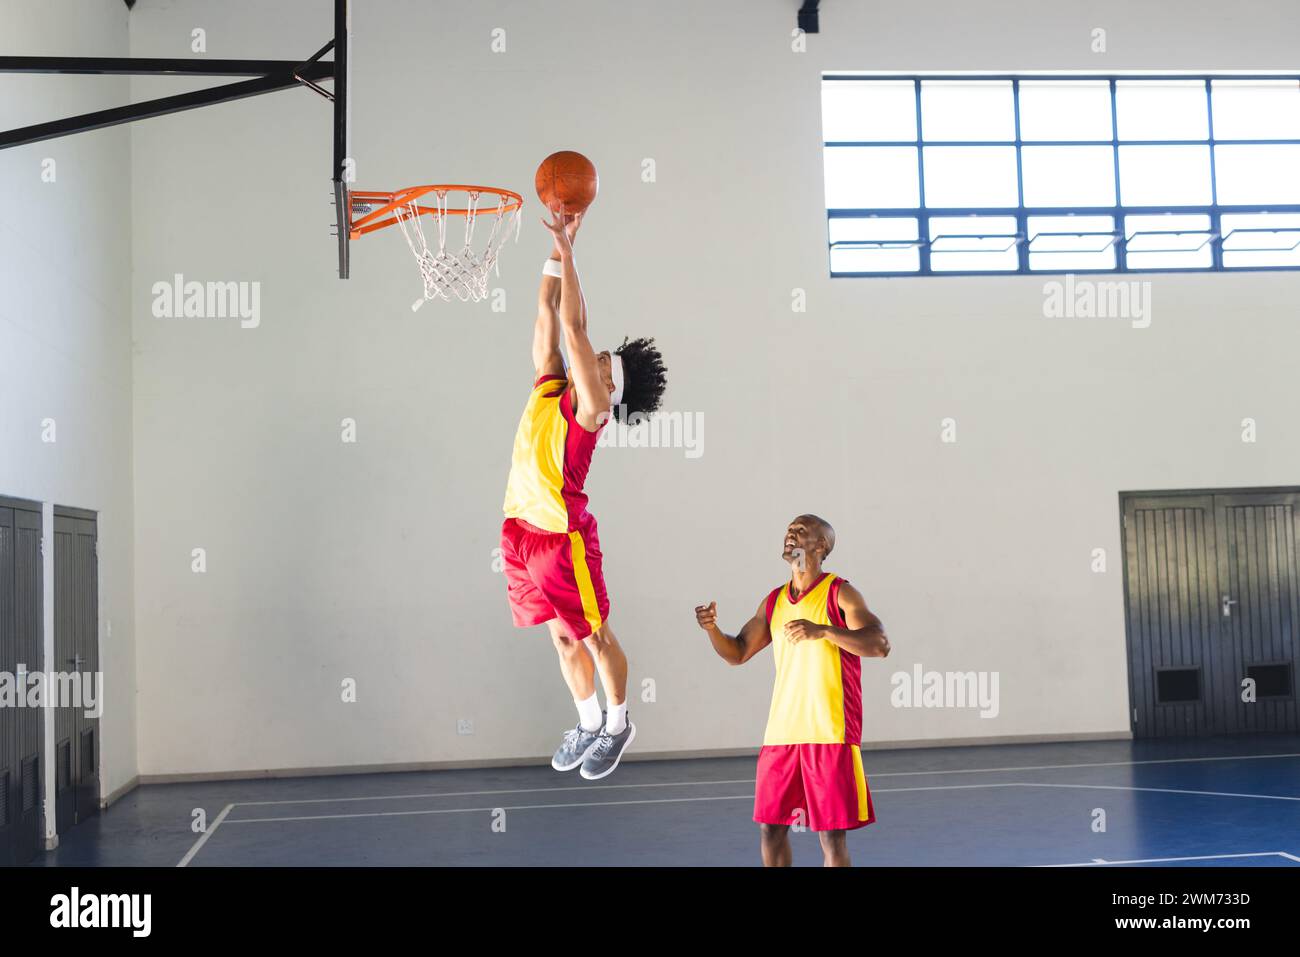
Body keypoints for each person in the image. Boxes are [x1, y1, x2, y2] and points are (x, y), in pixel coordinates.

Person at [500, 206, 667, 780]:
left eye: (601, 364)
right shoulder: (549, 383)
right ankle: (588, 719)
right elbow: (549, 311)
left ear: (609, 389)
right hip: (520, 531)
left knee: (593, 637)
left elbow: (574, 328)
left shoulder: (590, 411)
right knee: (561, 640)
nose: (591, 358)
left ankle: (618, 725)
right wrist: (557, 250)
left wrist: (571, 255)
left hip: (561, 539)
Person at [695, 514, 890, 865]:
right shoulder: (774, 601)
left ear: (821, 545)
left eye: (801, 531)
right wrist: (712, 630)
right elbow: (738, 652)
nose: (791, 535)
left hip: (829, 732)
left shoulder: (839, 592)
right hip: (782, 733)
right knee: (771, 828)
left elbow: (879, 643)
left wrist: (825, 630)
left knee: (830, 835)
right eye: (789, 530)